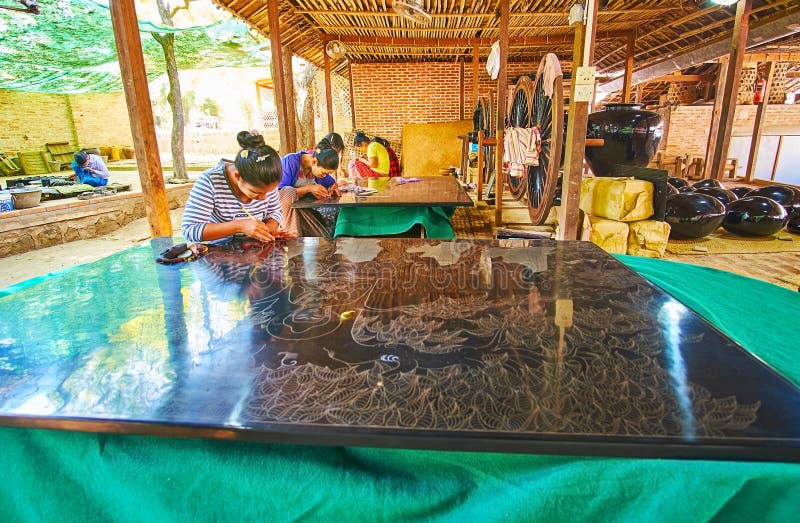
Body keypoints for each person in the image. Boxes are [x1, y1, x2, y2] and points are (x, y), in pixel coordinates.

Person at [181, 131, 284, 244]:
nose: (264, 198)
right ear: (238, 176)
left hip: (259, 247)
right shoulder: (210, 181)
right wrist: (239, 226)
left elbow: (275, 211)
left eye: (268, 192)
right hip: (222, 249)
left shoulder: (267, 178)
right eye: (256, 192)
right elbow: (190, 230)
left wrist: (269, 229)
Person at [278, 137, 342, 237]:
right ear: (314, 162)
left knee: (334, 216)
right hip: (284, 213)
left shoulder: (319, 165)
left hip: (302, 208)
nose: (324, 176)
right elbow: (281, 193)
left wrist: (333, 186)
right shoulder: (290, 162)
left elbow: (331, 182)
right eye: (324, 173)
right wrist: (309, 188)